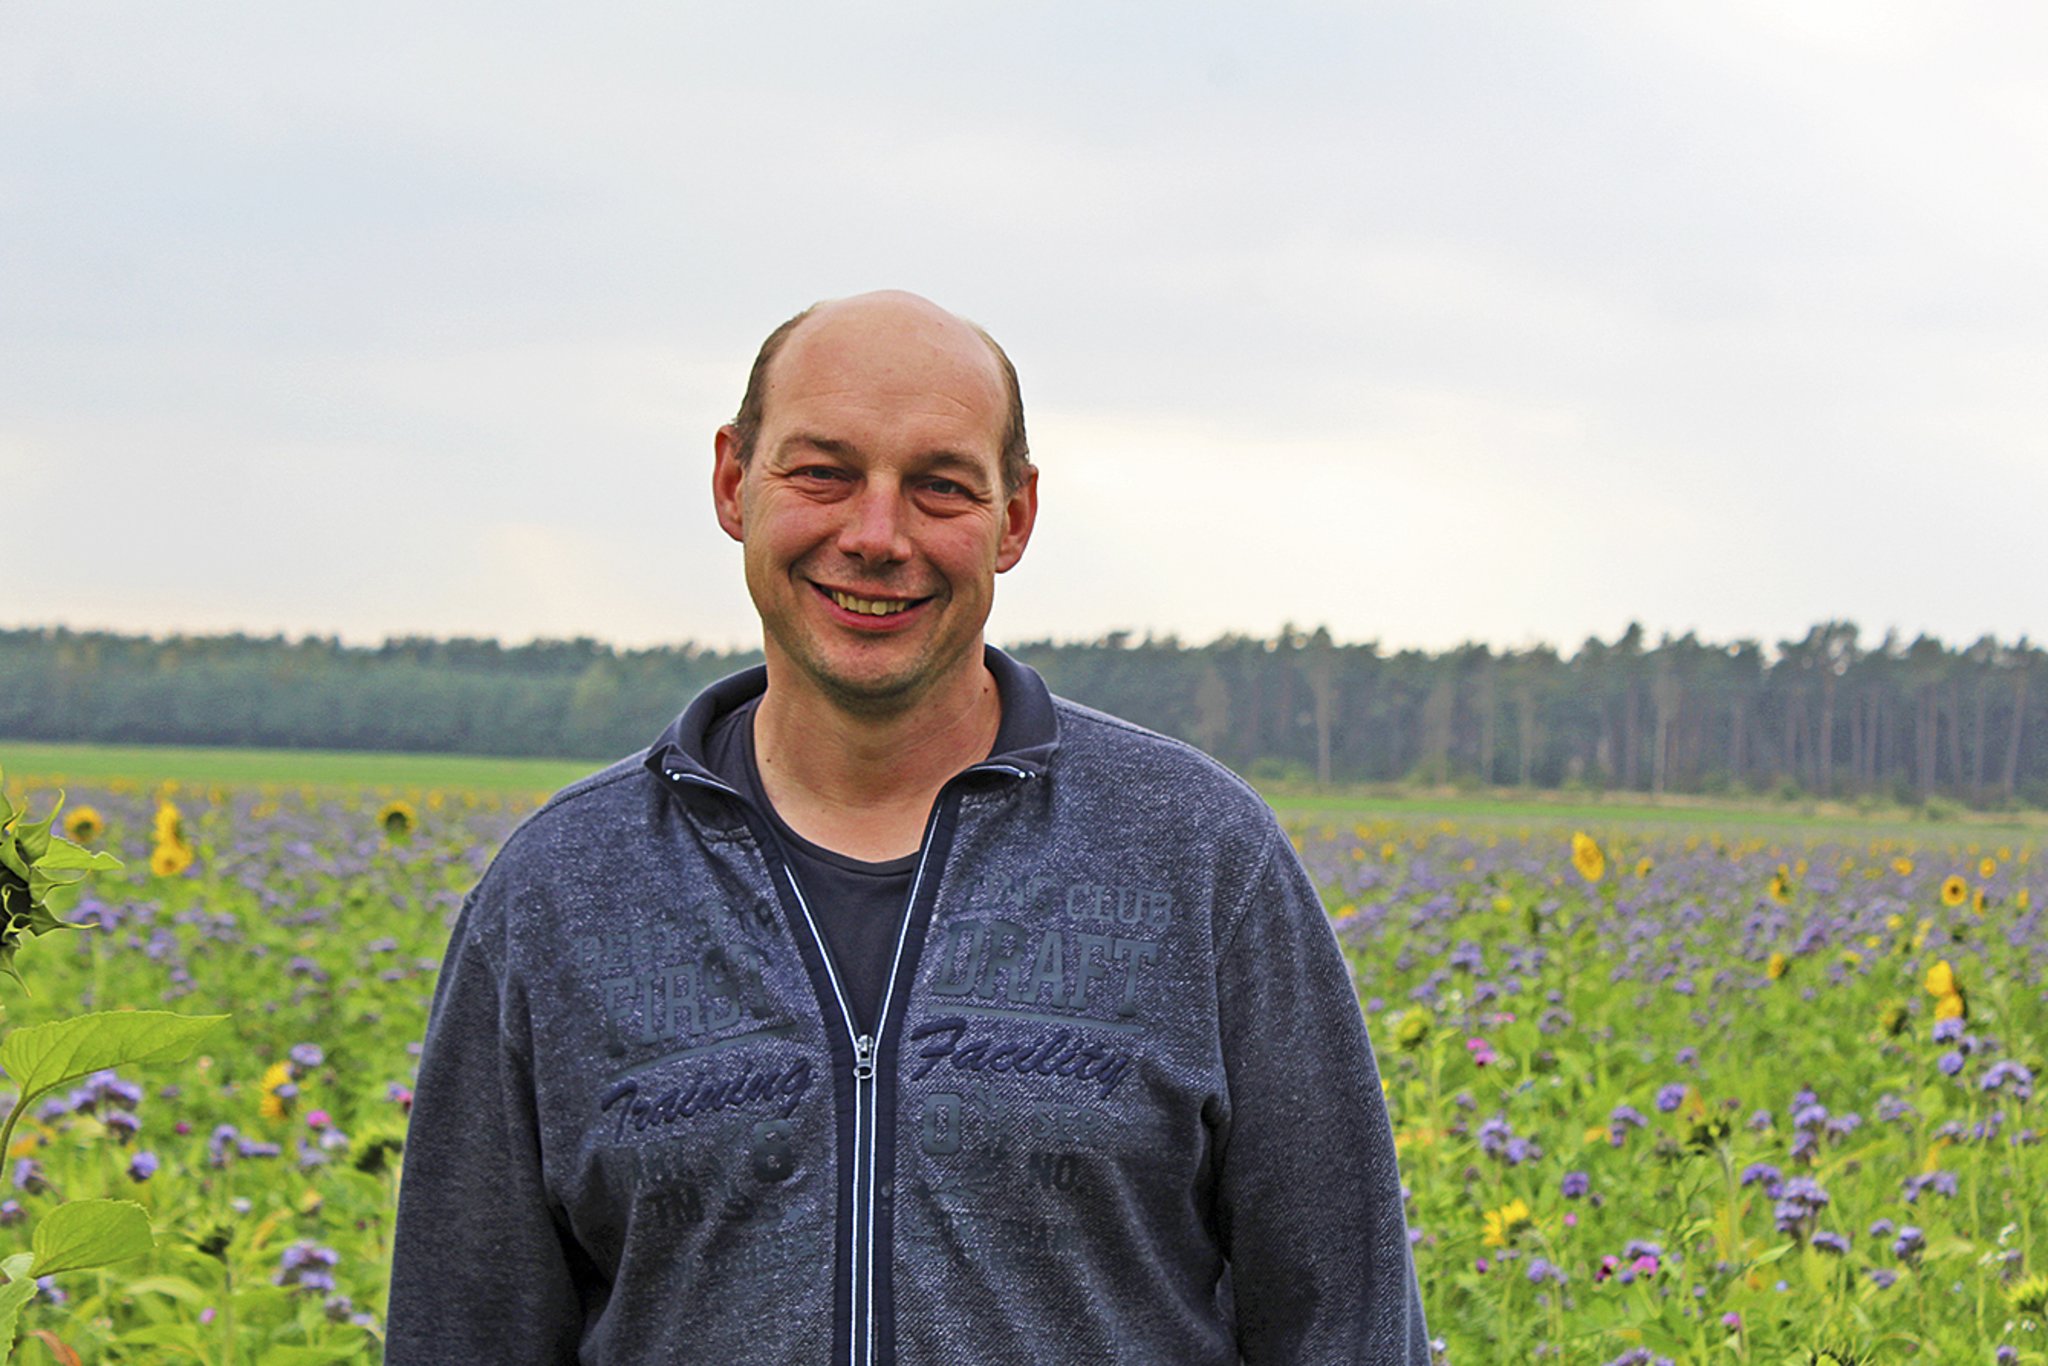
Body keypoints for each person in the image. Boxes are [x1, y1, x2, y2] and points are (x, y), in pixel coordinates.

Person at [385, 291, 1430, 1363]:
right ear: (733, 482)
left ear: (1014, 517)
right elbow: (460, 1334)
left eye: (940, 486)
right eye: (822, 472)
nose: (876, 536)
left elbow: (1347, 1326)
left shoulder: (1200, 856)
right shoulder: (560, 890)